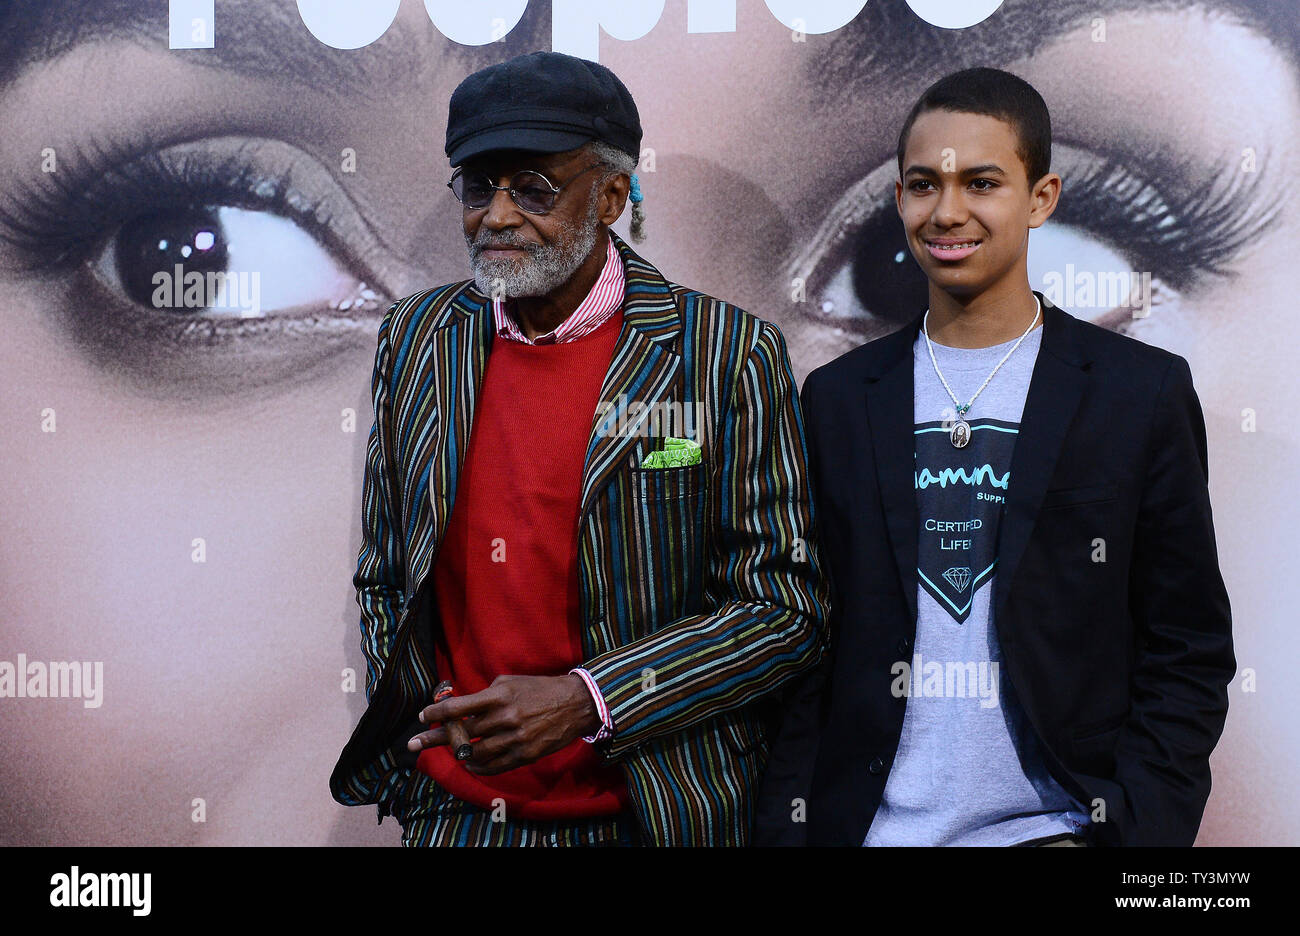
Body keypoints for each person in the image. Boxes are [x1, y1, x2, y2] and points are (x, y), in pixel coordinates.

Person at [329, 51, 829, 846]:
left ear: (610, 196)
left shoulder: (724, 353)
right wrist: (428, 730)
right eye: (477, 184)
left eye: (532, 188)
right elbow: (390, 569)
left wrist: (589, 699)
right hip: (458, 815)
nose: (495, 216)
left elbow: (783, 610)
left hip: (655, 814)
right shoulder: (420, 340)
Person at [755, 67, 1235, 847]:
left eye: (981, 182)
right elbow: (810, 647)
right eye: (921, 185)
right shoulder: (838, 399)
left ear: (1041, 198)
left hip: (1052, 830)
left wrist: (1128, 836)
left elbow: (1188, 648)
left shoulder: (1137, 392)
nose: (947, 212)